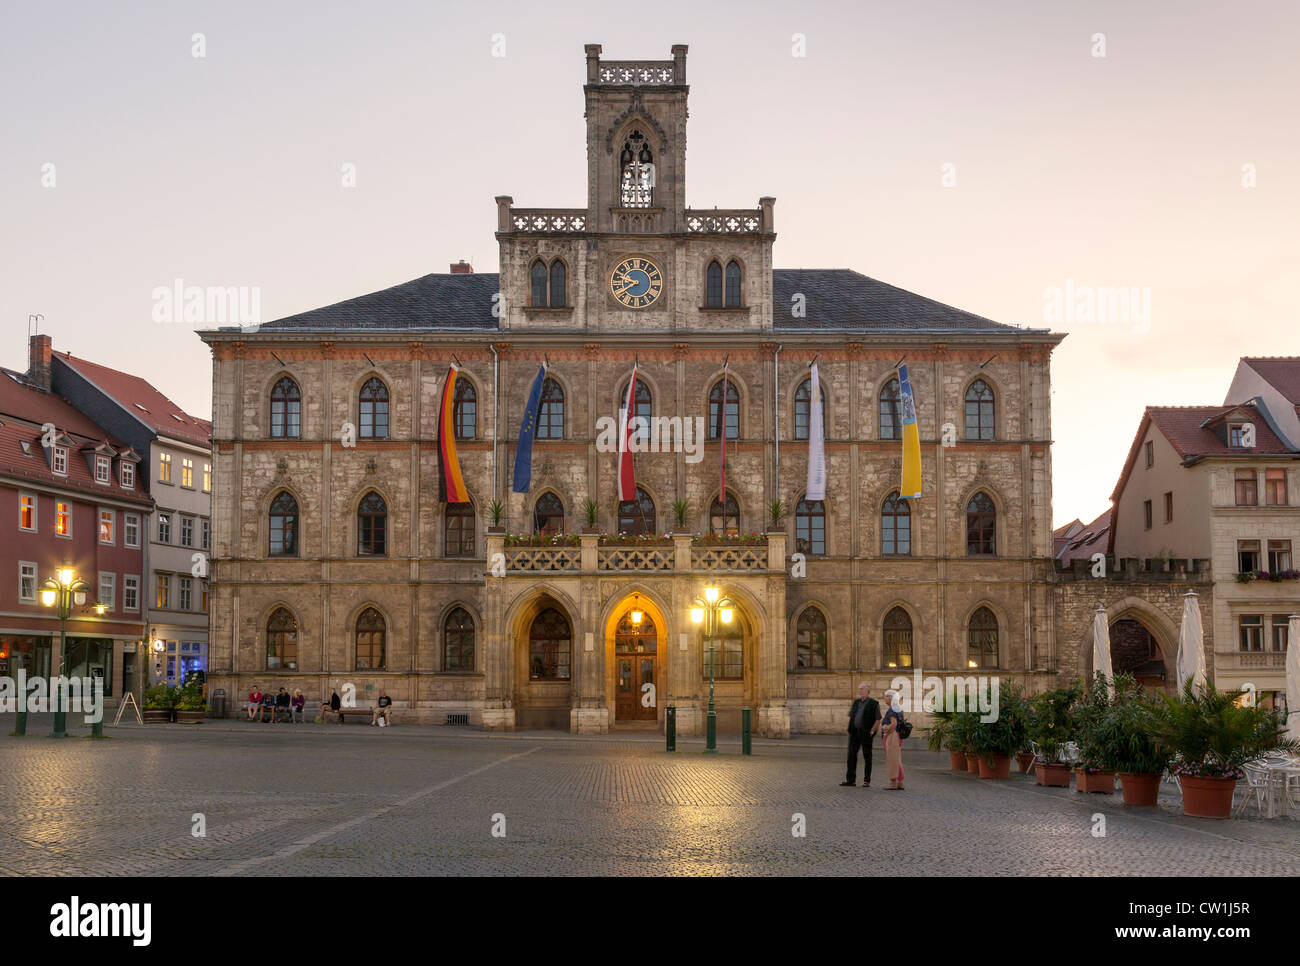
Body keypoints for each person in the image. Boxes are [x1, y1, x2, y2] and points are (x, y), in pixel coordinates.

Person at [840, 682, 881, 787]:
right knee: (851, 756)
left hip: (866, 734)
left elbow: (878, 719)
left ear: (867, 691)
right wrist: (850, 728)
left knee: (867, 756)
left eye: (862, 689)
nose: (860, 691)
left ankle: (866, 780)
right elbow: (852, 716)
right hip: (854, 733)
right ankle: (851, 780)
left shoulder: (873, 703)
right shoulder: (856, 702)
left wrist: (872, 731)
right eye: (859, 689)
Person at [881, 689, 906, 790]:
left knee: (892, 759)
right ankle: (900, 782)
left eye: (886, 696)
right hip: (898, 736)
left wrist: (885, 728)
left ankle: (893, 782)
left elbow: (894, 724)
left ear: (891, 698)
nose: (885, 698)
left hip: (892, 736)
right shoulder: (898, 708)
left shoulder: (892, 709)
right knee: (897, 759)